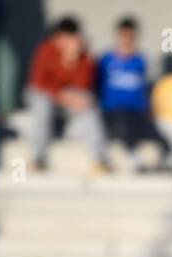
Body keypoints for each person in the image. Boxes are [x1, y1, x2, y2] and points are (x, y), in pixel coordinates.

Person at [25, 17, 107, 170]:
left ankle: (100, 158)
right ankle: (38, 158)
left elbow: (83, 85)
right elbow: (38, 82)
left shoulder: (84, 56)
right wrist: (60, 94)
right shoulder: (45, 50)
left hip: (69, 98)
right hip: (48, 95)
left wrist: (72, 61)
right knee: (41, 106)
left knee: (87, 103)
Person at [97, 15, 167, 171]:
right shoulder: (106, 60)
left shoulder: (140, 60)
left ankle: (166, 159)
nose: (127, 40)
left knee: (157, 135)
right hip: (114, 110)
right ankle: (133, 158)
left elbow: (143, 87)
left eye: (131, 36)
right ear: (118, 36)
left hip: (137, 110)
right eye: (124, 36)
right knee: (125, 125)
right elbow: (97, 85)